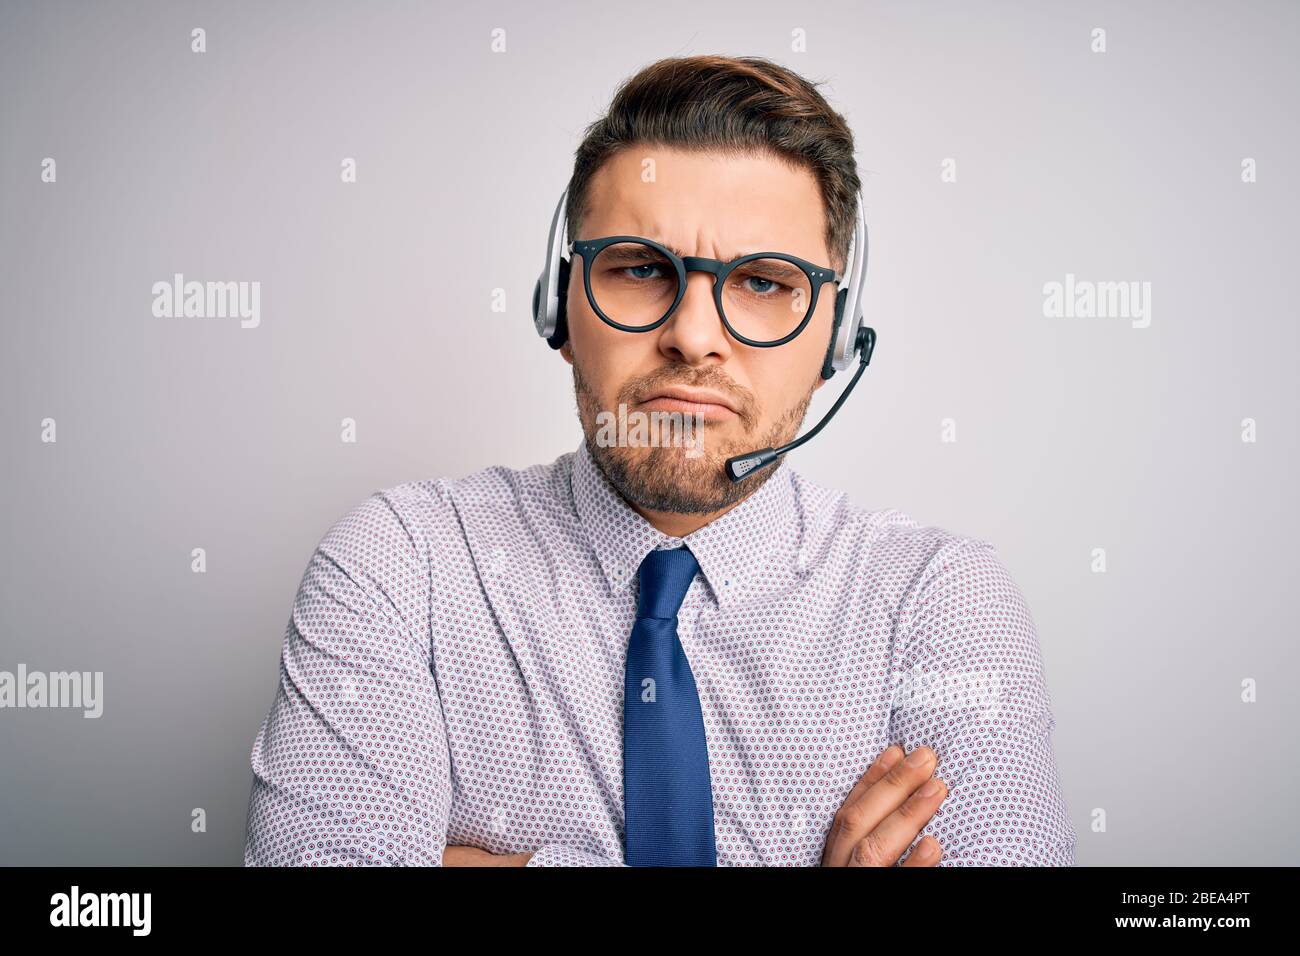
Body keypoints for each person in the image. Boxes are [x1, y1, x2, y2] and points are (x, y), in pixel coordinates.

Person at [243, 54, 1076, 866]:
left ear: (836, 339)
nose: (695, 336)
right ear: (557, 309)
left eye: (762, 282)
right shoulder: (401, 565)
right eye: (641, 269)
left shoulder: (940, 597)